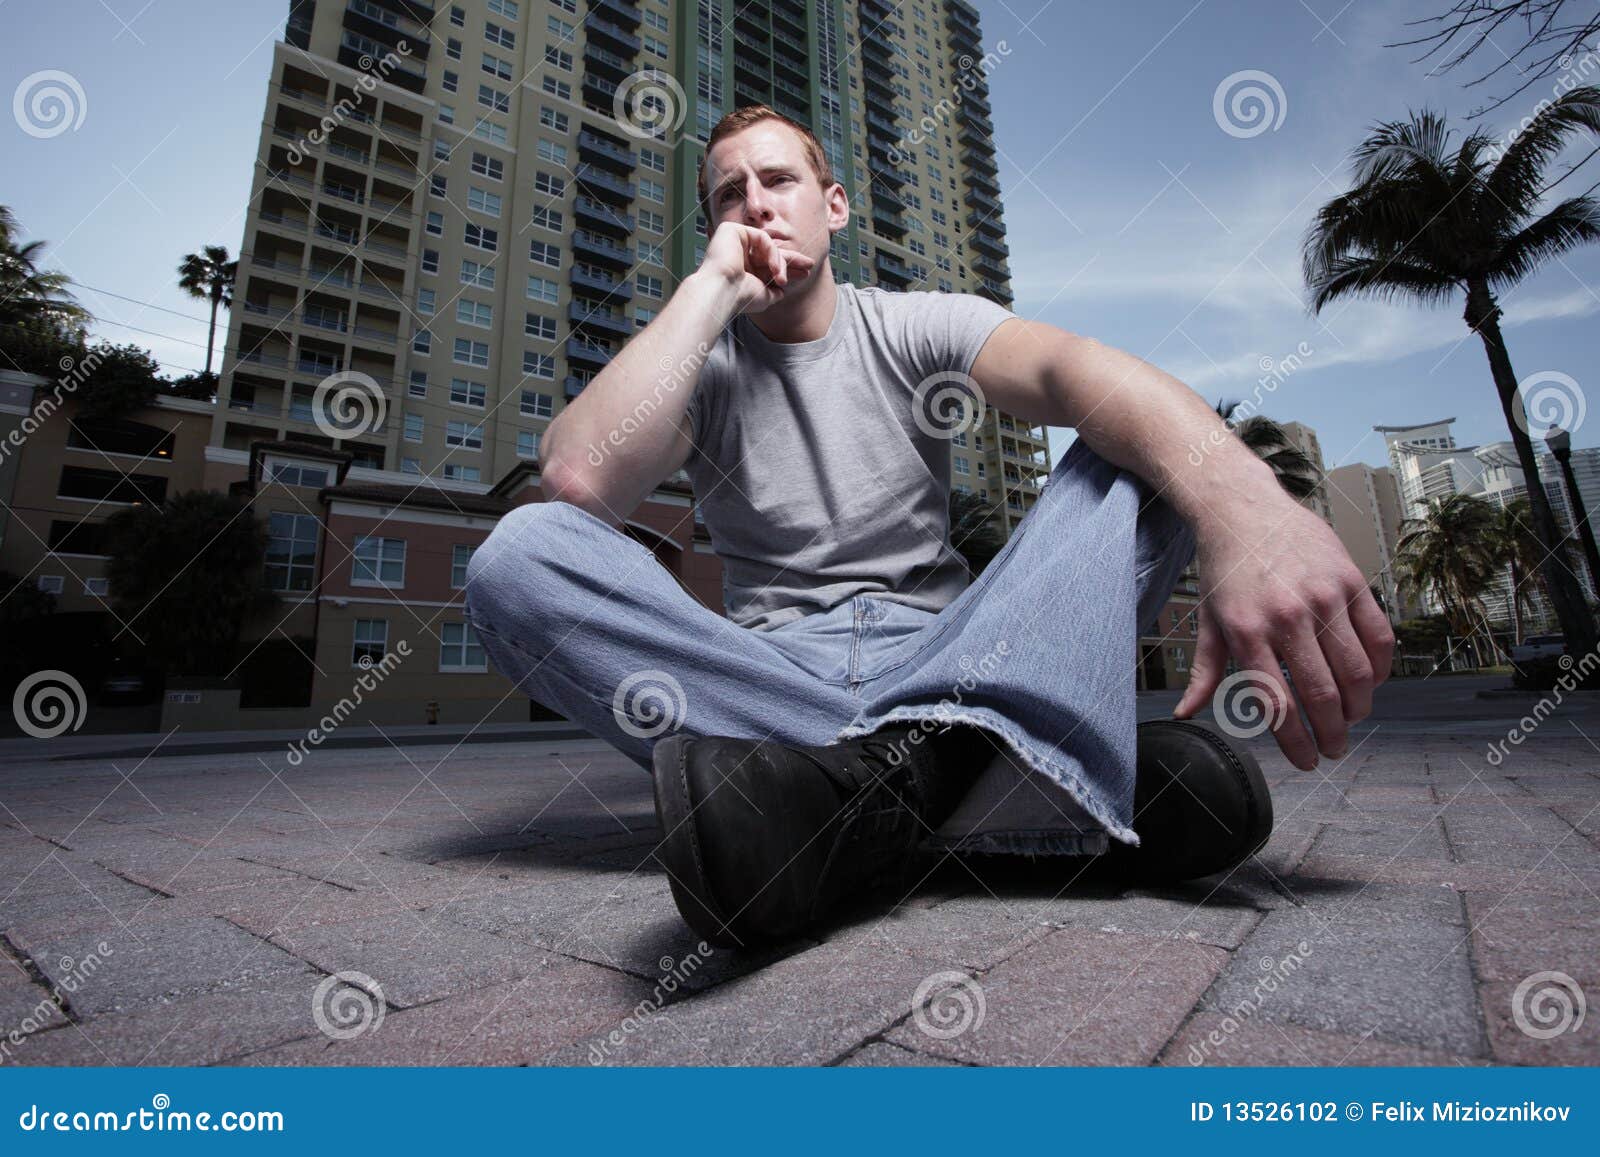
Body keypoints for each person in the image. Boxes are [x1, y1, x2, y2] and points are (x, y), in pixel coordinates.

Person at [465, 105, 1393, 949]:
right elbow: (579, 476)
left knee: (1146, 446)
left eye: (778, 181)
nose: (754, 205)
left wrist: (1253, 513)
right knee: (519, 557)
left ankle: (845, 806)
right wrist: (710, 290)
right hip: (777, 681)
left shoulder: (917, 326)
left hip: (960, 653)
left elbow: (1079, 372)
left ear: (835, 207)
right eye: (727, 196)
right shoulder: (698, 374)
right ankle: (1014, 785)